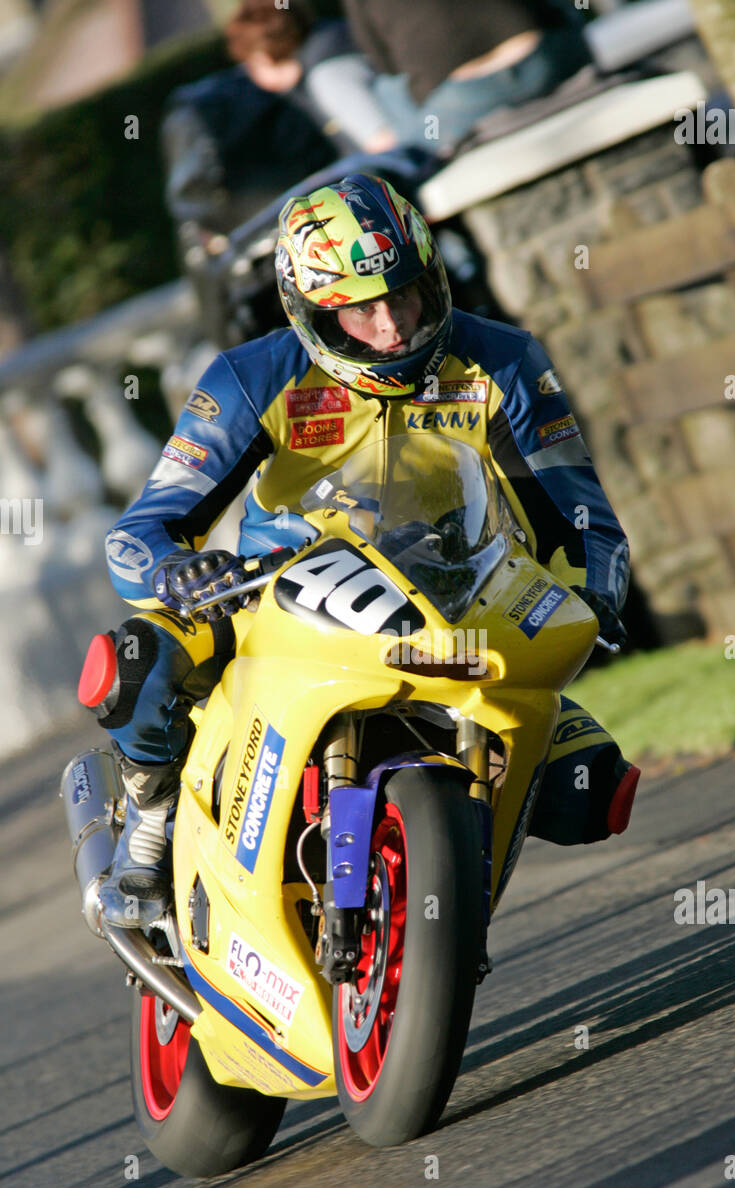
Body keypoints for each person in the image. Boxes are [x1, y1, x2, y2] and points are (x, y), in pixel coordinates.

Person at [79, 174, 639, 932]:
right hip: (274, 596)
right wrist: (178, 573)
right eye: (359, 309)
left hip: (457, 600)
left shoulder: (502, 361)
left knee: (592, 790)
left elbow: (585, 515)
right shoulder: (250, 377)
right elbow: (136, 532)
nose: (391, 327)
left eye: (404, 295)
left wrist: (600, 597)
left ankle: (450, 896)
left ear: (433, 279)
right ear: (310, 312)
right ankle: (151, 825)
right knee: (133, 661)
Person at [341, 0, 593, 155]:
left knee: (387, 89)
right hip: (543, 64)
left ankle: (427, 164)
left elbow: (386, 66)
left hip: (463, 102)